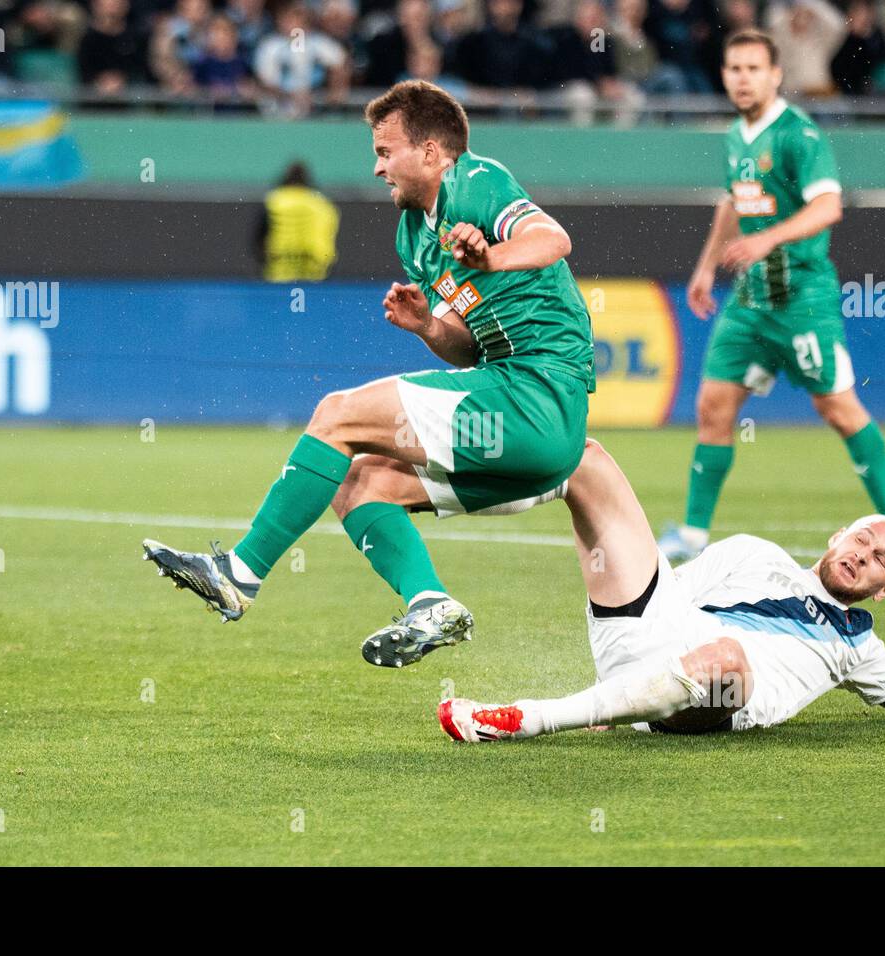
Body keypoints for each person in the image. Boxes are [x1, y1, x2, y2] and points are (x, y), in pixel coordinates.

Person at [144, 79, 594, 670]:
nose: (377, 168)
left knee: (338, 413)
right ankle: (430, 603)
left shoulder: (475, 181)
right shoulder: (414, 234)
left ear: (431, 153)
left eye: (386, 152)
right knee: (358, 482)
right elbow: (468, 353)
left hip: (540, 398)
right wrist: (430, 327)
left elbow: (553, 238)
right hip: (518, 429)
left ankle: (239, 574)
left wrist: (491, 255)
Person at [440, 440, 885, 742]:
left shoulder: (859, 644)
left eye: (881, 561)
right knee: (588, 459)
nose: (862, 557)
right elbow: (665, 591)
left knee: (726, 659)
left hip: (716, 696)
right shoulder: (752, 553)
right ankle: (440, 491)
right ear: (835, 536)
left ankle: (525, 719)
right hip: (642, 640)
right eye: (861, 540)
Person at [658, 29, 885, 563]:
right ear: (723, 76)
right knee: (713, 405)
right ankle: (694, 535)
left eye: (753, 69)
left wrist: (767, 236)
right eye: (734, 69)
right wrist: (704, 268)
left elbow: (829, 206)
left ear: (776, 75)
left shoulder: (799, 136)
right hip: (749, 300)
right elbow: (733, 202)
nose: (742, 79)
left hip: (801, 297)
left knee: (837, 408)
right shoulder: (735, 136)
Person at [257, 161, 340, 282]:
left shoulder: (273, 201)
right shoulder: (323, 205)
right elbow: (330, 237)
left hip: (278, 275)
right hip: (317, 275)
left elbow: (258, 240)